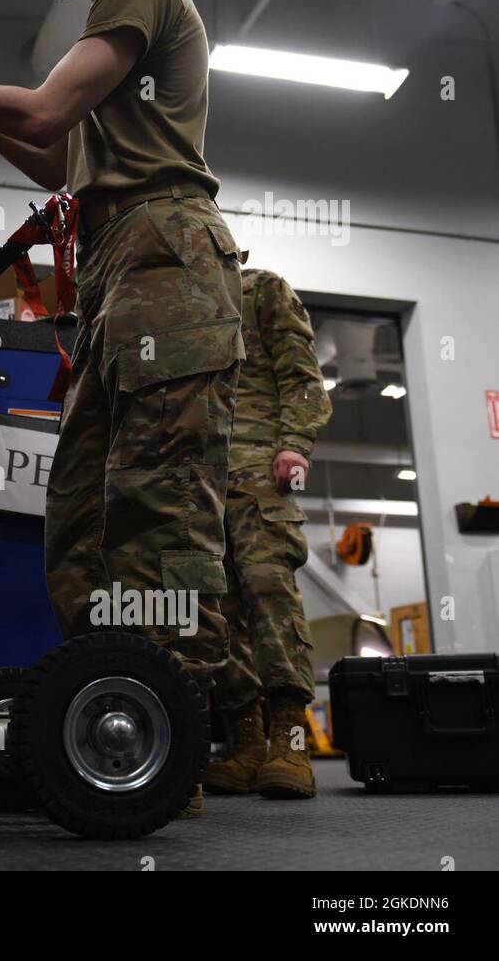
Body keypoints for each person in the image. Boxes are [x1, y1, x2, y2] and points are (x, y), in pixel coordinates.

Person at [0, 0, 244, 816]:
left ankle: (181, 737)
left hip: (166, 258)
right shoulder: (113, 51)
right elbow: (48, 156)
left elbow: (44, 105)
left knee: (160, 511)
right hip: (115, 271)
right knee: (80, 519)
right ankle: (117, 709)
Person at [206, 268, 331, 799]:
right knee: (215, 609)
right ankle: (249, 742)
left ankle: (292, 741)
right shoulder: (175, 305)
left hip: (260, 470)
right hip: (198, 481)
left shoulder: (260, 289)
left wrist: (295, 443)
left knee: (268, 595)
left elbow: (302, 376)